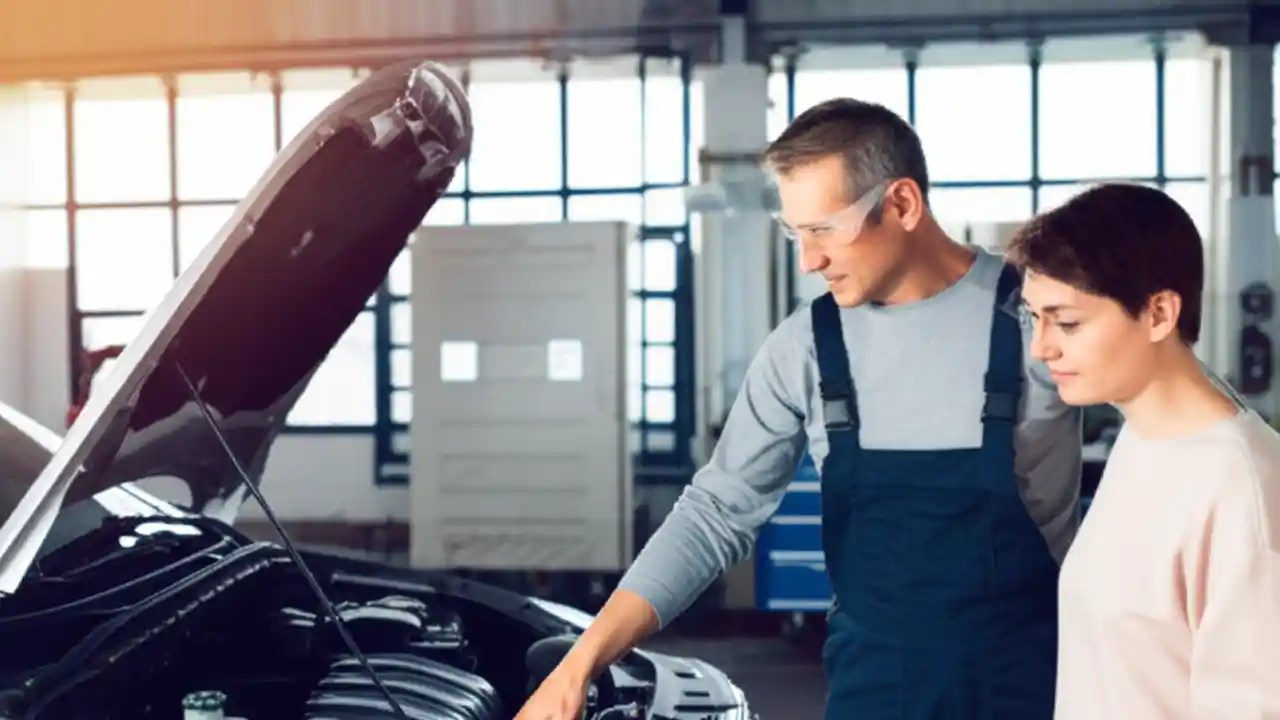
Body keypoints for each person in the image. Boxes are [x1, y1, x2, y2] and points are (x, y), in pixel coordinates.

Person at [513, 98, 1082, 720]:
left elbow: (1179, 429)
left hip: (1034, 689)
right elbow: (715, 513)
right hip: (873, 696)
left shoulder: (1040, 316)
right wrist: (582, 660)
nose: (808, 260)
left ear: (902, 205)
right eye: (796, 233)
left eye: (823, 230)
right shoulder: (806, 348)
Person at [1007, 183, 1280, 719]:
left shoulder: (1239, 487)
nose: (1042, 347)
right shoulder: (1143, 436)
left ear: (1158, 313)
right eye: (1032, 318)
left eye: (1067, 322)